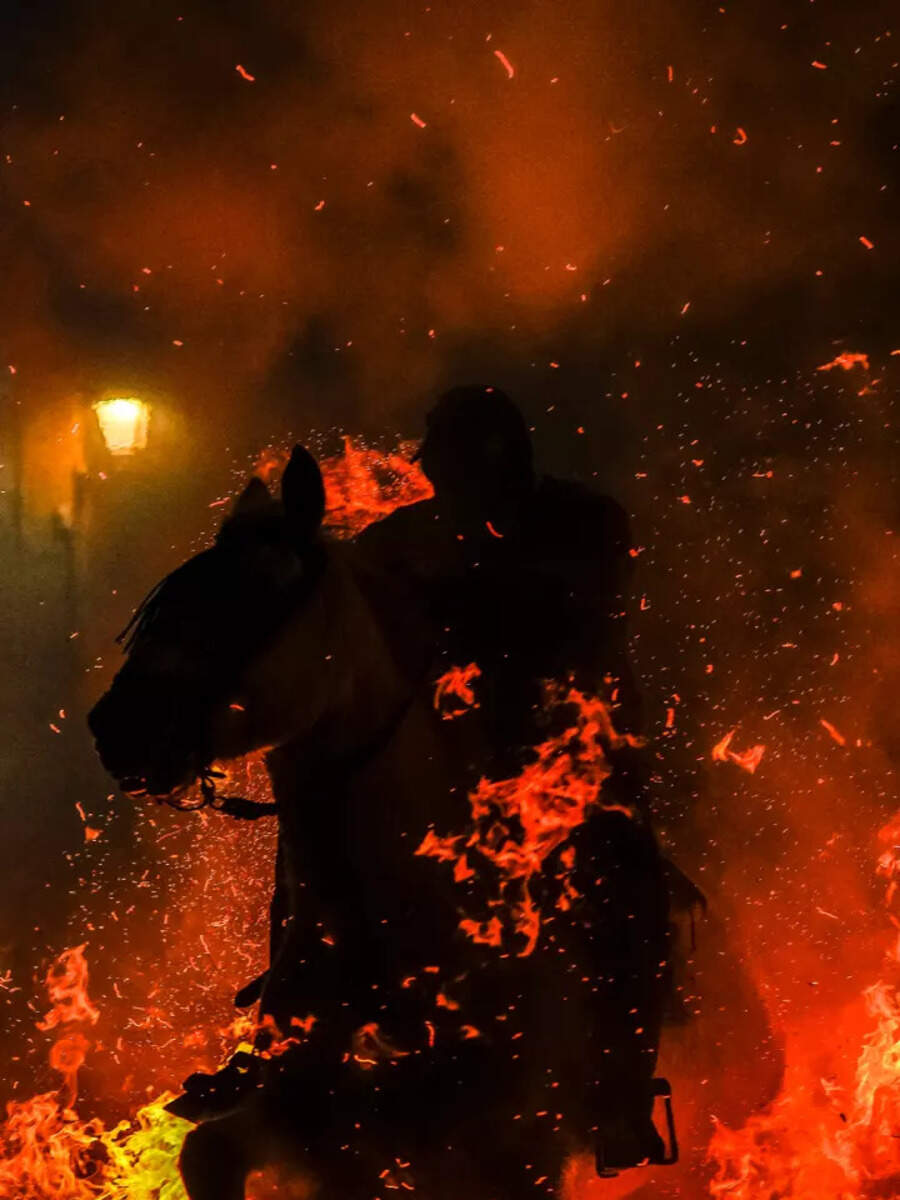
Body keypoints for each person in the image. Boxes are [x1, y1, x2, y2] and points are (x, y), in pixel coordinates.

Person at [357, 385, 672, 1170]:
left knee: (627, 892)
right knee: (323, 856)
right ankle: (283, 1035)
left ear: (490, 453)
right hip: (438, 756)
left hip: (568, 760)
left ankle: (620, 1096)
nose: (423, 461)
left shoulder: (584, 520)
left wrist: (437, 591)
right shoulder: (404, 535)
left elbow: (570, 609)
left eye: (440, 445)